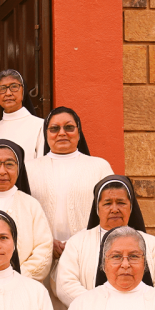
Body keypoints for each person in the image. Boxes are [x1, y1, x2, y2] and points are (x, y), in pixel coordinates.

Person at [56, 175, 155, 307]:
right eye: (107, 203)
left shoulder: (152, 244)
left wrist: (142, 307)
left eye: (121, 202)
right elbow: (65, 284)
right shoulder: (77, 243)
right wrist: (96, 306)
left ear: (130, 207)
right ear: (97, 209)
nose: (114, 209)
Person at [26, 106, 114, 261]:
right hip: (41, 256)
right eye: (54, 128)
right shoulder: (29, 170)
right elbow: (23, 214)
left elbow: (110, 212)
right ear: (46, 134)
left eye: (69, 127)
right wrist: (47, 243)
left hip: (88, 254)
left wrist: (76, 243)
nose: (61, 133)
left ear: (79, 133)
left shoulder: (100, 167)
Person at [0, 139, 53, 283]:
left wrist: (18, 275)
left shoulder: (31, 204)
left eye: (9, 164)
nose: (2, 171)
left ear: (19, 169)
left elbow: (44, 247)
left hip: (23, 284)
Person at [0, 70, 44, 160]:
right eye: (2, 88)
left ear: (23, 91)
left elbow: (41, 164)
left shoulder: (40, 126)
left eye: (14, 87)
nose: (8, 93)